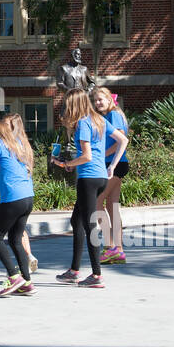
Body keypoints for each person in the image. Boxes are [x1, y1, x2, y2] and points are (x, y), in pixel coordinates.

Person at [52, 88, 127, 288]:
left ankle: (96, 275)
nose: (66, 108)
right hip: (101, 176)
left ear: (74, 105)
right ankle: (74, 270)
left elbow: (87, 156)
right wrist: (111, 166)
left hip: (89, 178)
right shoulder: (99, 120)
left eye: (68, 105)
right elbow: (123, 140)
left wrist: (67, 164)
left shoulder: (83, 123)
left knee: (89, 225)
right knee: (76, 220)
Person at [0, 114, 37, 296]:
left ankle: (13, 276)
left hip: (13, 197)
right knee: (15, 239)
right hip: (28, 196)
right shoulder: (16, 143)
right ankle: (26, 282)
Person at [92, 87, 130, 265]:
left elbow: (121, 140)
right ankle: (118, 249)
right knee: (112, 207)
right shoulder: (108, 115)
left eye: (100, 99)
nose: (97, 102)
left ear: (109, 100)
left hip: (114, 165)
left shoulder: (113, 115)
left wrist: (104, 155)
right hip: (114, 164)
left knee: (97, 203)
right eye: (95, 100)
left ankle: (110, 247)